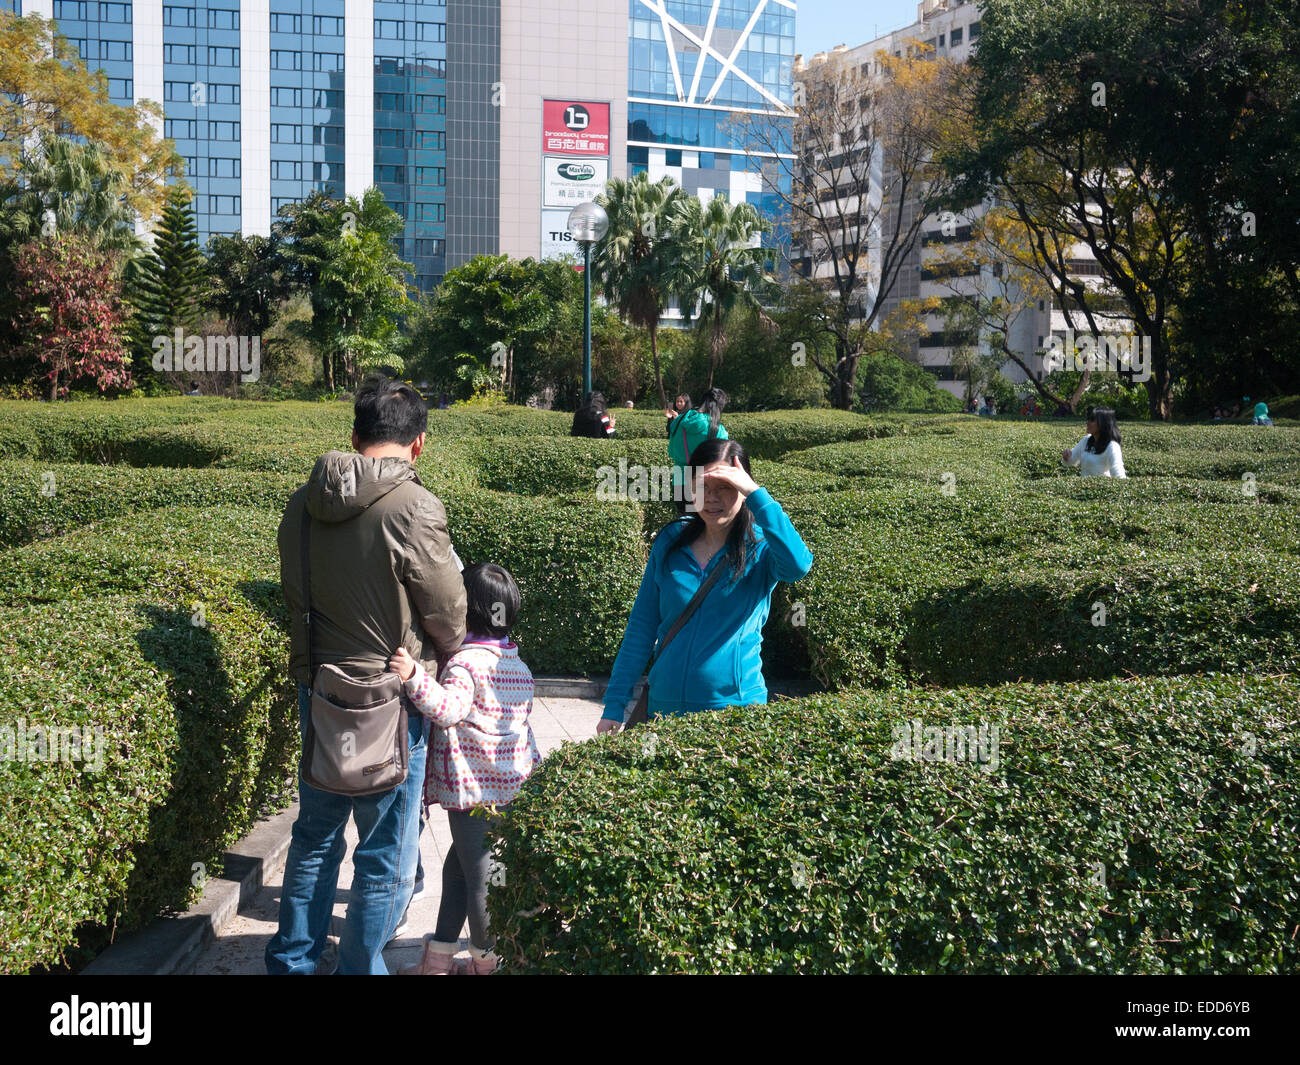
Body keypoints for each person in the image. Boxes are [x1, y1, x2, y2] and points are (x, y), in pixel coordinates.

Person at [267, 375, 468, 976]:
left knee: (314, 836)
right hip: (390, 701)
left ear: (354, 437)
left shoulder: (302, 502)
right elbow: (448, 614)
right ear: (419, 444)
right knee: (383, 850)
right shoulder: (416, 507)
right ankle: (362, 969)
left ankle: (293, 962)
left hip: (321, 692)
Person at [597, 438, 813, 730]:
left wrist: (756, 495)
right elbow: (642, 627)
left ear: (743, 487)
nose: (711, 498)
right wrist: (614, 704)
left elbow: (798, 565)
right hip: (663, 711)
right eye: (702, 487)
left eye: (724, 487)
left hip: (734, 714)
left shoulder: (761, 547)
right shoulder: (671, 540)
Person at [391, 563, 538, 977]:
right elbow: (520, 726)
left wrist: (413, 675)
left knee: (482, 882)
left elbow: (448, 710)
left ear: (464, 610)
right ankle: (438, 959)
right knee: (458, 869)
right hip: (510, 788)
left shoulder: (464, 664)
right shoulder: (516, 662)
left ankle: (486, 966)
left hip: (474, 795)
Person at [667, 388, 729, 516]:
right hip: (703, 481)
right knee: (700, 526)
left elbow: (671, 451)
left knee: (683, 521)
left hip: (679, 479)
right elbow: (721, 459)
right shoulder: (718, 429)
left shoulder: (679, 421)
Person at [1061, 406, 1127, 478]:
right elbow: (1070, 461)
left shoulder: (1112, 446)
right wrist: (1066, 456)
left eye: (1092, 420)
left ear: (1103, 423)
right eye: (1088, 419)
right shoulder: (1086, 440)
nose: (1087, 422)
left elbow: (1118, 473)